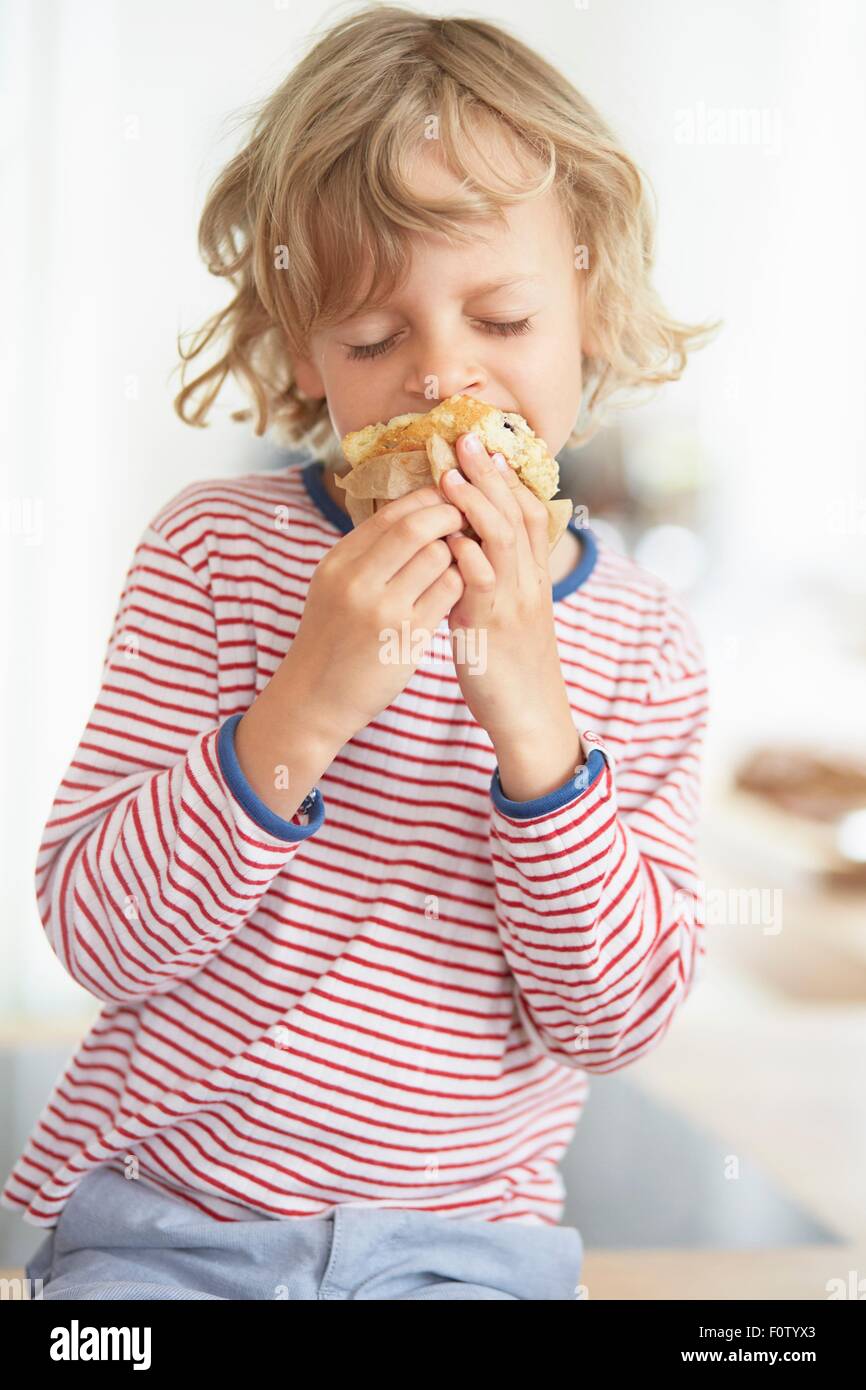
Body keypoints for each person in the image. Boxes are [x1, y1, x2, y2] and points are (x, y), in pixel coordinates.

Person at [3, 5, 715, 1300]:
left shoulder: (644, 642)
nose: (442, 380)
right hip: (171, 1222)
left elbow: (614, 1020)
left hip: (464, 1250)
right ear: (298, 347)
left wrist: (536, 729)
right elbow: (96, 939)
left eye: (499, 321)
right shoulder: (212, 557)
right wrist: (303, 707)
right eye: (374, 340)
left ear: (590, 307)